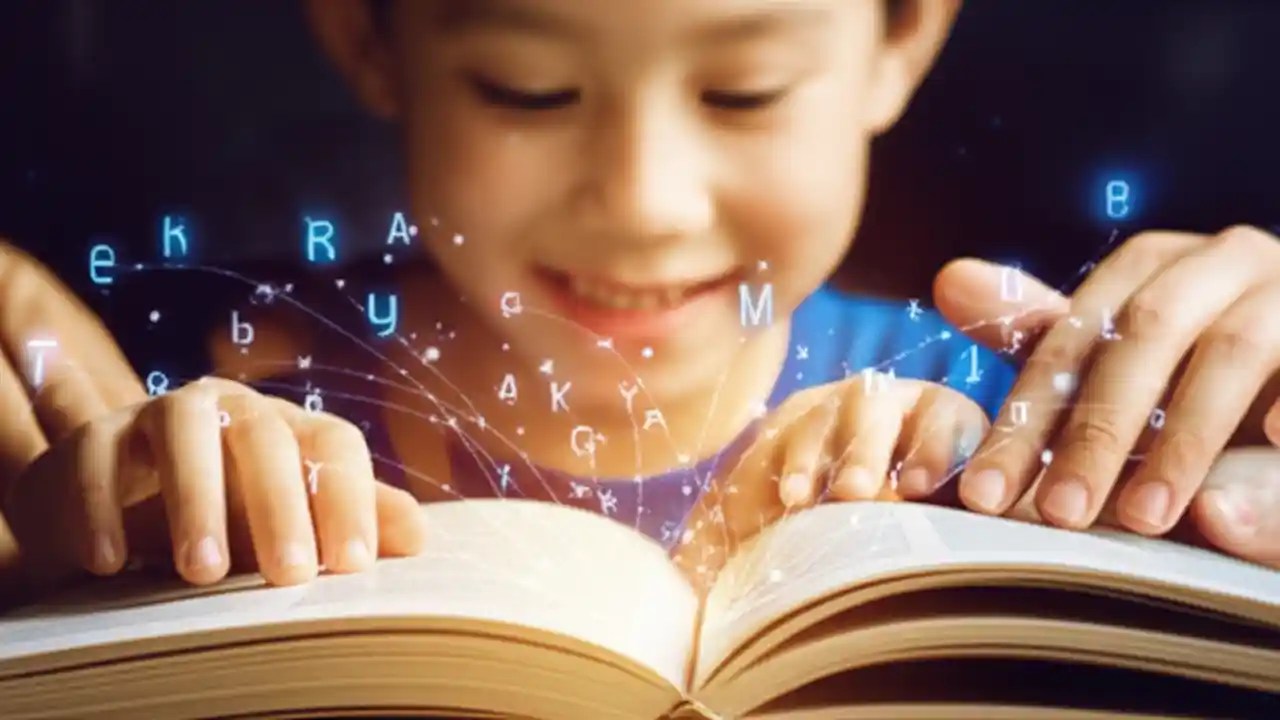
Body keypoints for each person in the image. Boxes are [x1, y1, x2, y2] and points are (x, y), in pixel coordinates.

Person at [3, 0, 1279, 605]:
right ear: (370, 40)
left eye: (744, 92)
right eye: (525, 89)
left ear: (898, 41)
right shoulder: (192, 395)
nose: (644, 202)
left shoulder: (1014, 420)